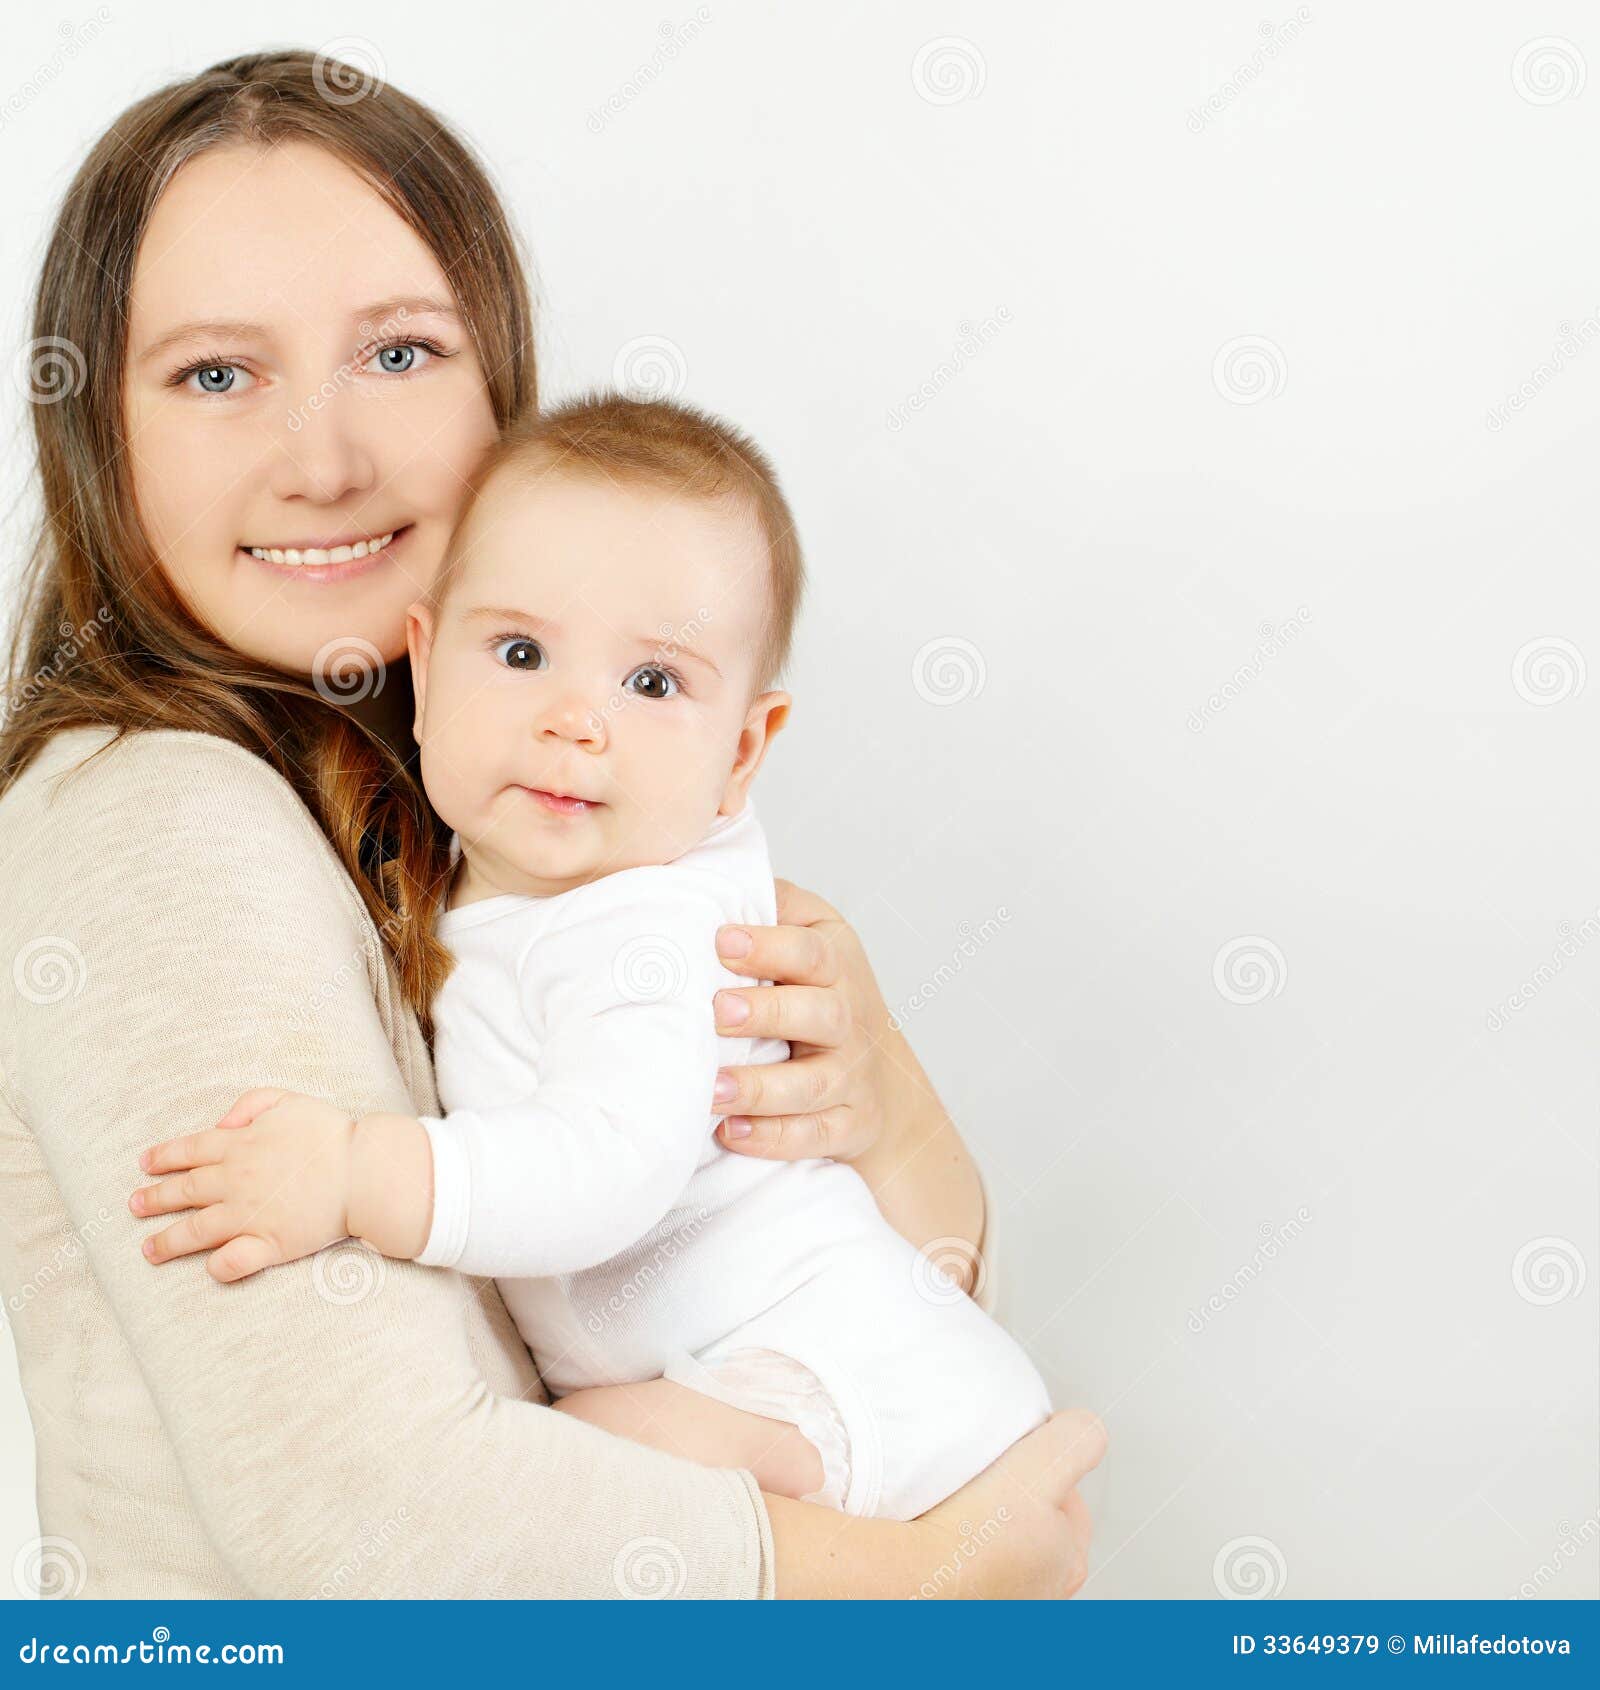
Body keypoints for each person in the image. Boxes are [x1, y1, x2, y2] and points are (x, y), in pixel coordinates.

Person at [0, 49, 1103, 1598]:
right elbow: (371, 1515)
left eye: (397, 355)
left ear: (500, 383)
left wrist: (891, 1106)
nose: (323, 462)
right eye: (214, 373)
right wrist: (920, 1576)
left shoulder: (503, 807)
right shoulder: (158, 819)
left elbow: (860, 1309)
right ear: (96, 435)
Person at [133, 392, 1054, 1524]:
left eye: (653, 682)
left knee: (554, 1490)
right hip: (791, 1367)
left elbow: (603, 1170)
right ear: (424, 667)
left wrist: (352, 1174)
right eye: (520, 652)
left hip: (836, 1378)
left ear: (741, 752)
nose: (577, 720)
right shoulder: (514, 887)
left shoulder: (649, 930)